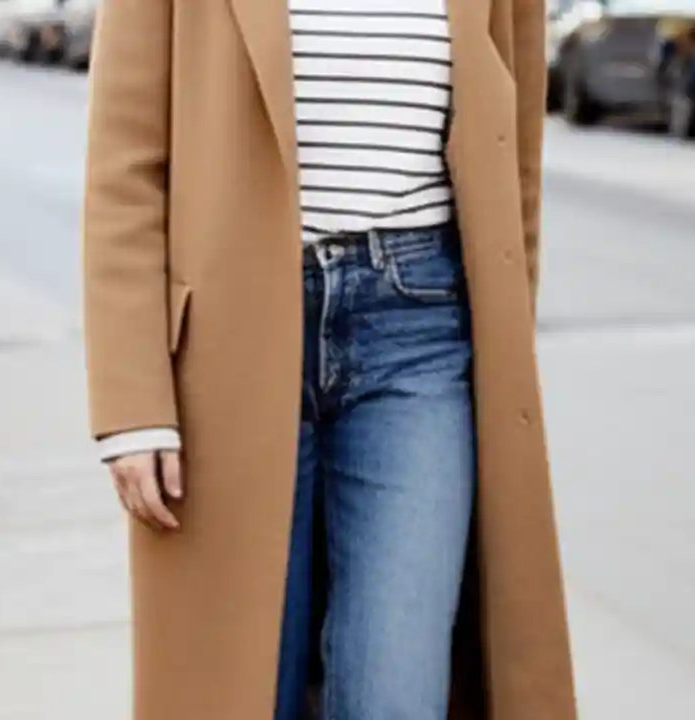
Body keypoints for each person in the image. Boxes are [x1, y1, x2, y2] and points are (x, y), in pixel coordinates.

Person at [81, 0, 575, 716]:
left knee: (396, 692)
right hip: (230, 337)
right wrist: (132, 402)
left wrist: (507, 341)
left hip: (419, 325)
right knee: (243, 683)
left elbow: (516, 157)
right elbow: (124, 167)